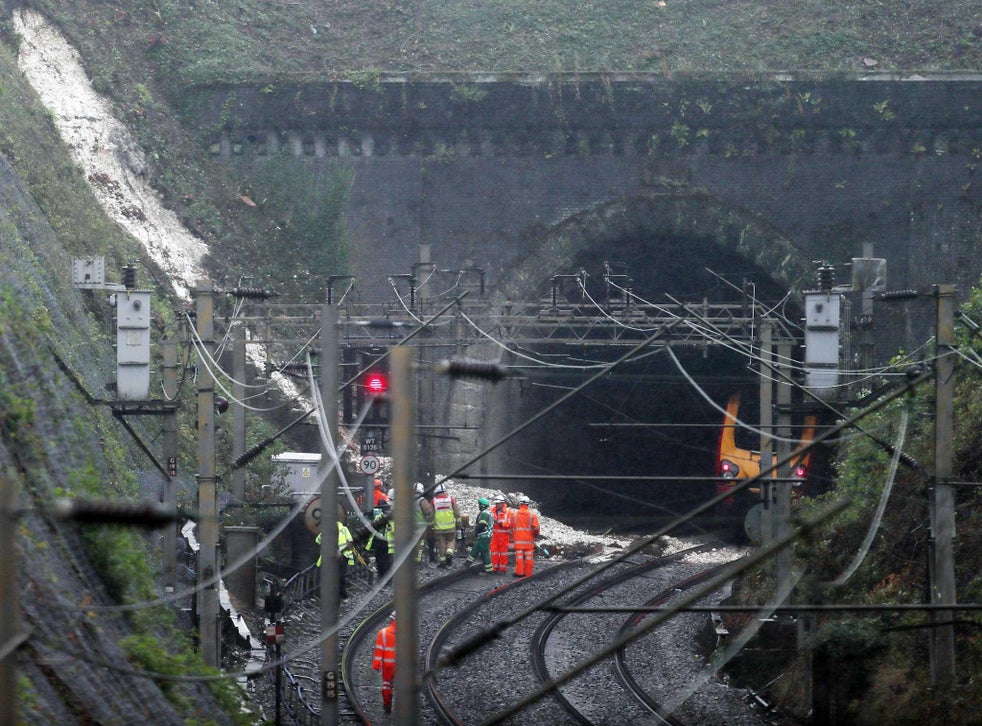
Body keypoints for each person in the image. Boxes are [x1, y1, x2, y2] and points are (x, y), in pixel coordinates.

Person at [316, 517, 355, 599]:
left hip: (342, 557)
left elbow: (350, 542)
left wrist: (341, 552)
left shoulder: (344, 529)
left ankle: (342, 595)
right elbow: (318, 541)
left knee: (340, 576)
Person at [372, 611, 397, 713]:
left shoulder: (382, 633)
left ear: (392, 620)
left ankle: (387, 705)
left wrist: (376, 665)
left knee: (386, 685)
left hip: (388, 664)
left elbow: (379, 650)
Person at [430, 483, 460, 567]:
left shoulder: (434, 501)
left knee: (441, 545)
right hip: (450, 527)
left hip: (438, 528)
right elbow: (457, 513)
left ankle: (442, 563)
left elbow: (430, 515)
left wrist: (430, 525)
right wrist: (459, 523)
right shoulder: (451, 499)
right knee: (451, 541)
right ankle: (449, 553)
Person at [511, 495, 540, 578]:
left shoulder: (514, 514)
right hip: (528, 541)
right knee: (529, 558)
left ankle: (519, 573)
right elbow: (537, 528)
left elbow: (511, 526)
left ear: (520, 504)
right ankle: (528, 574)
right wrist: (535, 535)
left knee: (519, 558)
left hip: (518, 540)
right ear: (528, 504)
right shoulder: (532, 515)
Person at [464, 497, 494, 574]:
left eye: (479, 504)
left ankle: (489, 571)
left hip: (484, 536)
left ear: (482, 506)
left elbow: (482, 524)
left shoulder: (484, 513)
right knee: (475, 549)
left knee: (485, 553)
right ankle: (467, 564)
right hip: (485, 536)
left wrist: (476, 531)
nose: (479, 506)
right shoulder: (488, 512)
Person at [366, 499, 394, 582]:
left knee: (386, 562)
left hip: (387, 543)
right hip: (380, 542)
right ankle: (382, 578)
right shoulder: (379, 517)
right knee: (381, 561)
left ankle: (387, 579)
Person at [489, 494, 513, 574]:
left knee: (503, 553)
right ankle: (494, 568)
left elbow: (510, 523)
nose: (496, 505)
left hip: (504, 536)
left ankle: (502, 569)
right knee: (494, 551)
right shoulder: (492, 510)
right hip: (495, 535)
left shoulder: (508, 512)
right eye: (496, 503)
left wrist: (500, 522)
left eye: (498, 503)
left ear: (503, 503)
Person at [414, 483, 435, 567]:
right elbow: (429, 512)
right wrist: (430, 524)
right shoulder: (422, 500)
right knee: (420, 543)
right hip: (420, 526)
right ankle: (418, 560)